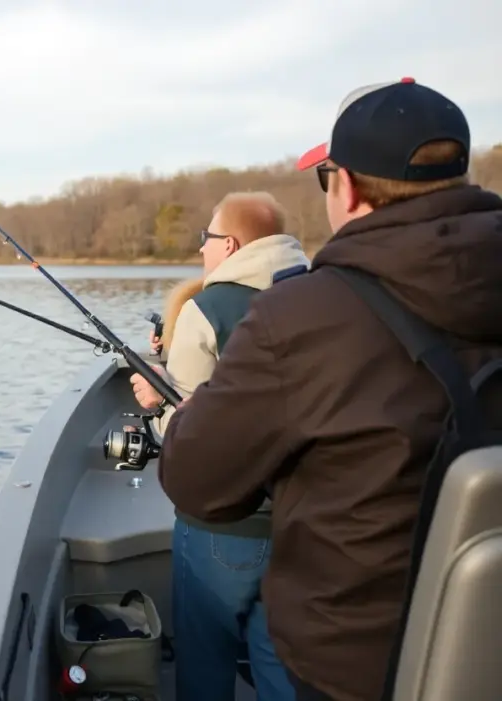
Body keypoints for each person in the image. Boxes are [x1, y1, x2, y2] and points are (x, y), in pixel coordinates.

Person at [153, 77, 502, 701]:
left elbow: (199, 484)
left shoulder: (301, 317)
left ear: (344, 186)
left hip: (355, 666)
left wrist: (185, 415)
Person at [130, 191, 309, 701]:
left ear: (229, 244)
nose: (200, 250)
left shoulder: (205, 309)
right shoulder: (319, 296)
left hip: (221, 529)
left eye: (205, 238)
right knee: (279, 665)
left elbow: (187, 433)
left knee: (204, 663)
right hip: (302, 521)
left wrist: (155, 405)